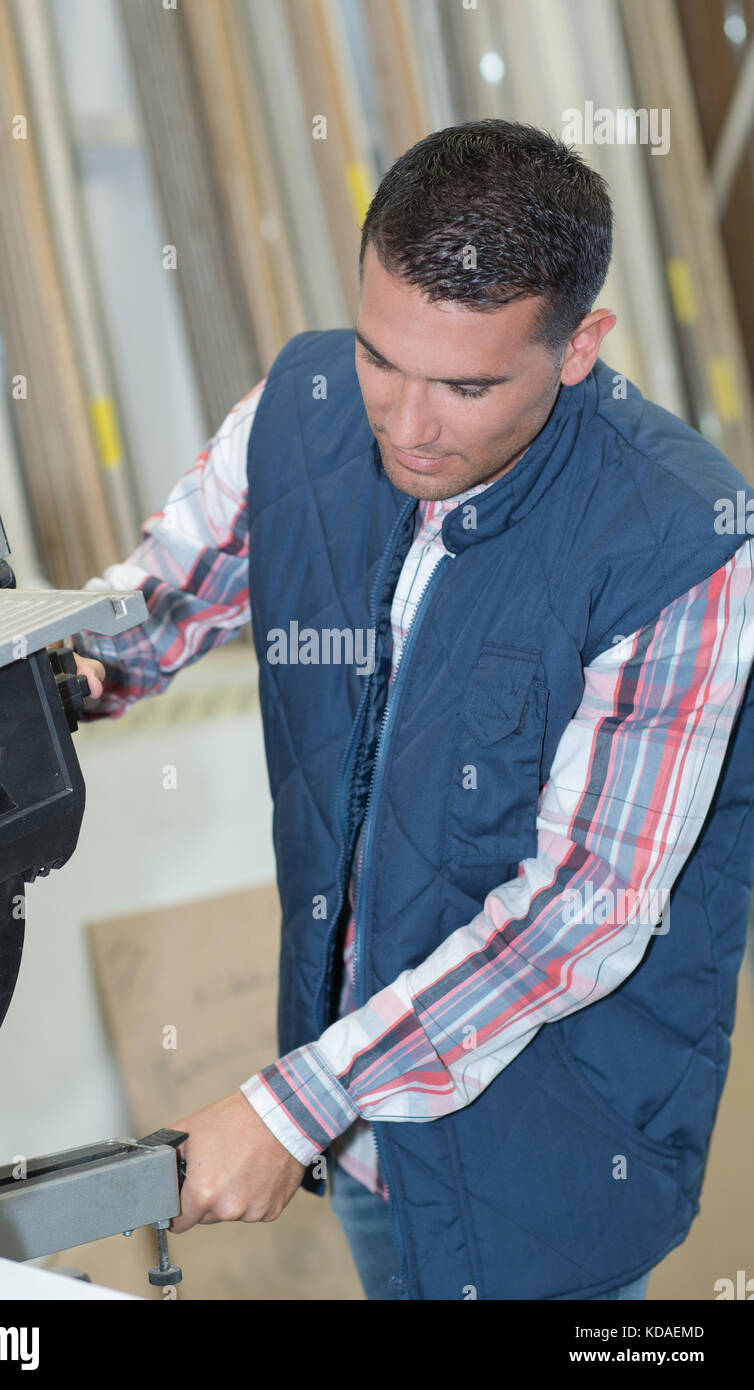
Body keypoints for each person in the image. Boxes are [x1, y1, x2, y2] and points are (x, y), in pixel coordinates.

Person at [70, 120, 754, 1300]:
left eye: (467, 384)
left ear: (578, 344)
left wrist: (293, 1105)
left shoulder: (681, 542)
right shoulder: (309, 402)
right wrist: (26, 674)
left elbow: (581, 909)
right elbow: (154, 608)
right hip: (359, 1125)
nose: (405, 423)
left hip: (546, 1151)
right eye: (383, 357)